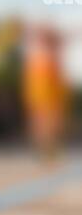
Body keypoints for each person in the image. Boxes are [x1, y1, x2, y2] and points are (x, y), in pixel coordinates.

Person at [22, 24, 72, 159]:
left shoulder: (49, 58)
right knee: (43, 121)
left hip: (51, 87)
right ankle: (45, 148)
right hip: (43, 87)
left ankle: (48, 148)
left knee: (52, 121)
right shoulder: (40, 60)